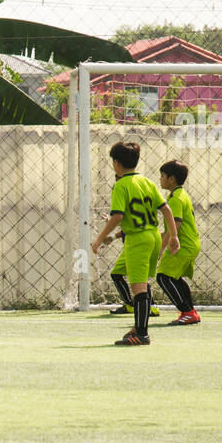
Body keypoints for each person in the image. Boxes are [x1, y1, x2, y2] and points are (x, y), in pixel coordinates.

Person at [91, 142, 178, 346]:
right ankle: (139, 327)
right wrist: (173, 236)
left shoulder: (121, 185)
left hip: (138, 239)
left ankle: (141, 334)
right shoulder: (147, 182)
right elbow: (166, 210)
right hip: (154, 236)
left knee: (138, 289)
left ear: (115, 163)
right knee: (143, 286)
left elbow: (117, 216)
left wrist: (100, 237)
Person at [154, 160, 202, 325]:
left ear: (171, 179)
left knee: (163, 277)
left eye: (162, 176)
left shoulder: (174, 199)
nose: (160, 179)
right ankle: (190, 311)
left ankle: (187, 311)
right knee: (174, 278)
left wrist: (161, 248)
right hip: (191, 243)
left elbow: (176, 225)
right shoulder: (182, 194)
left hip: (183, 244)